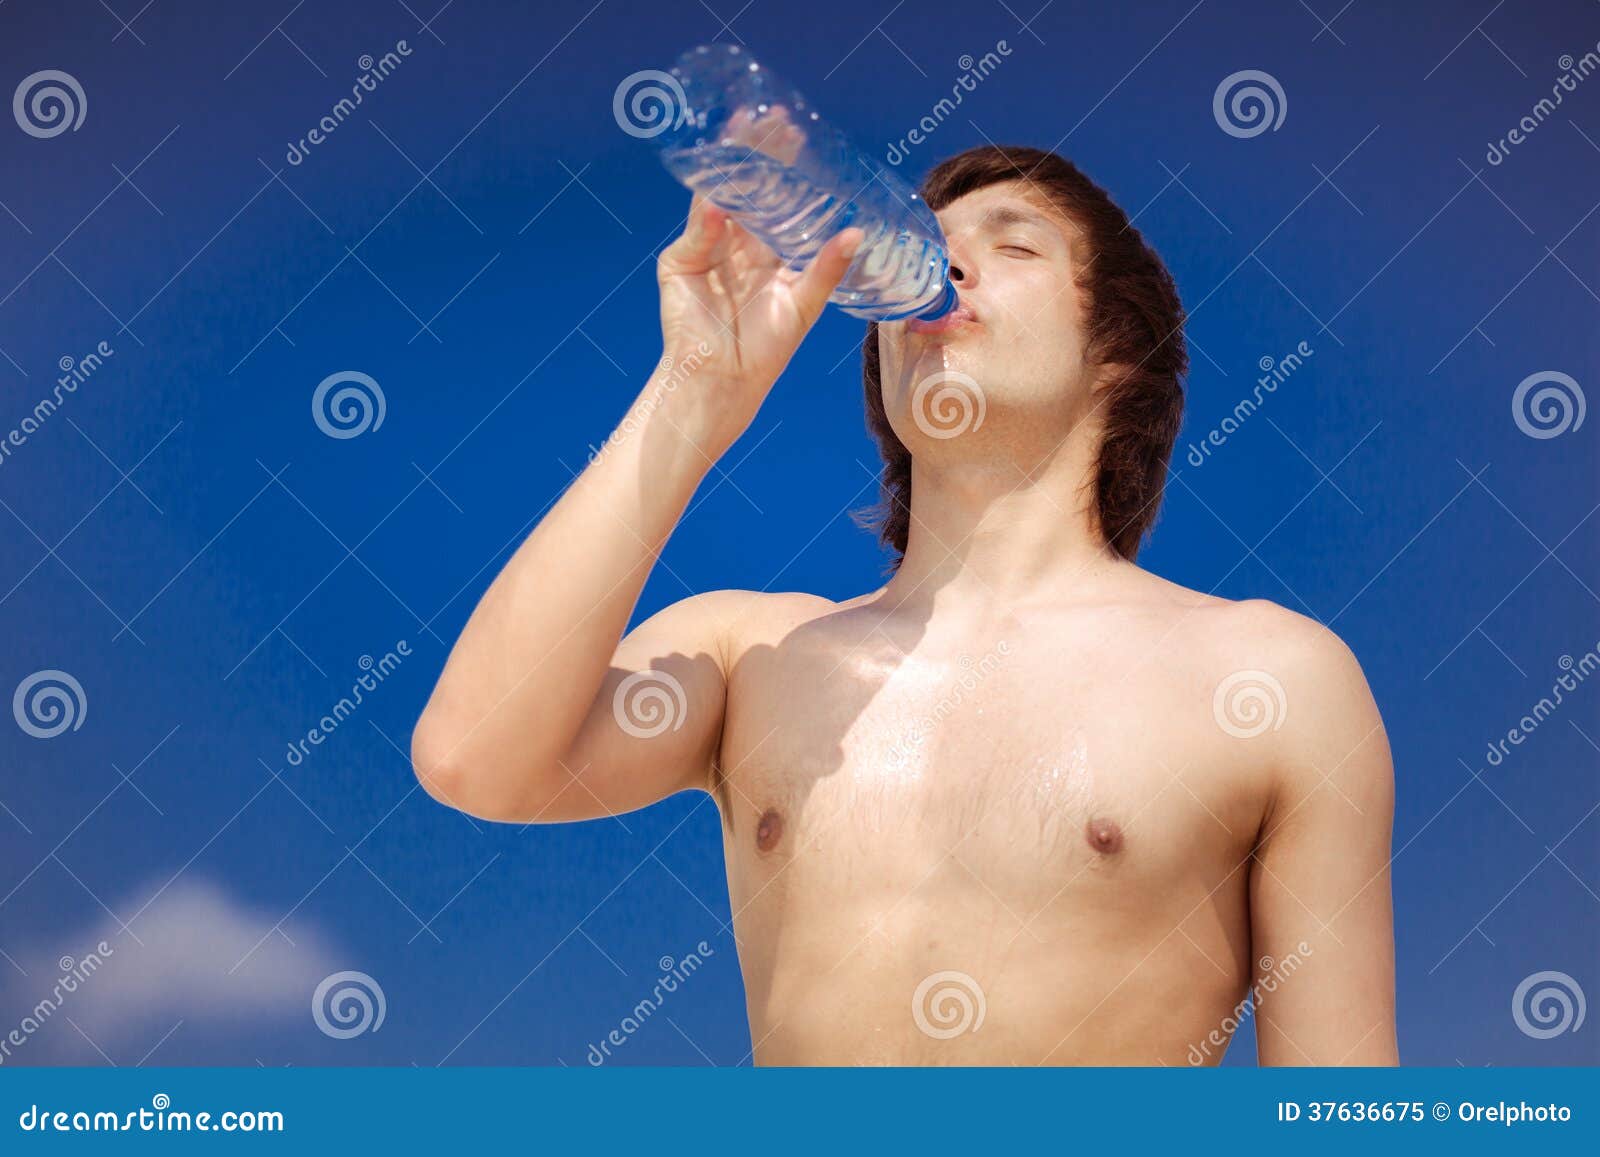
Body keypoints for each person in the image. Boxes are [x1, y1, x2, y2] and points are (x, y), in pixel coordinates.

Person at [411, 144, 1398, 1066]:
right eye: (929, 247)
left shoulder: (1271, 678)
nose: (944, 266)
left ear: (1117, 353)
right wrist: (693, 394)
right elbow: (475, 760)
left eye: (1010, 245)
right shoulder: (750, 651)